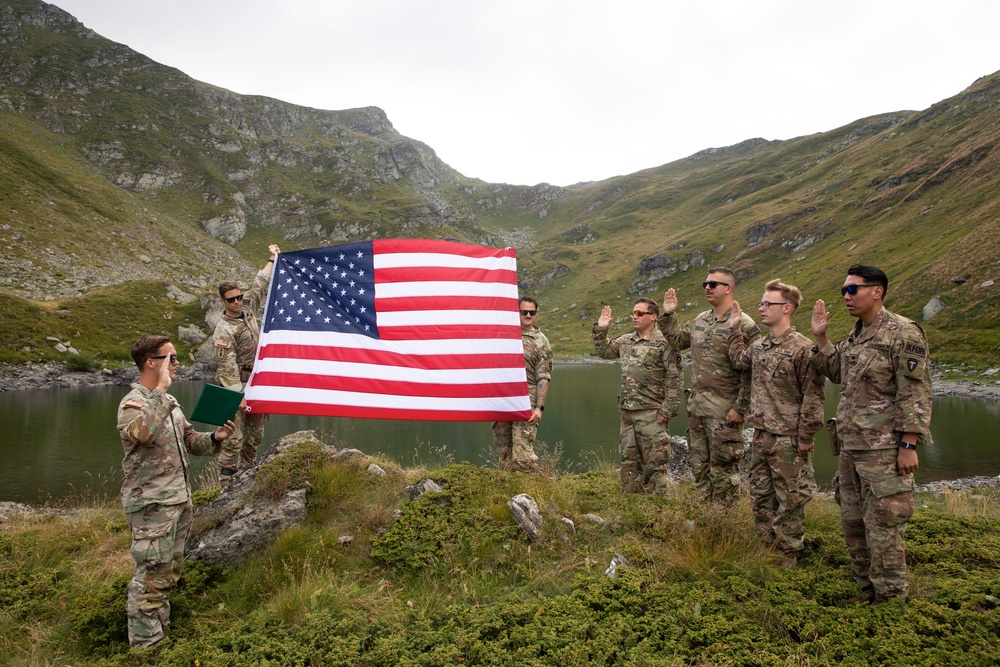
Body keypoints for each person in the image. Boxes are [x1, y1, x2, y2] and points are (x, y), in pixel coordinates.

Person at [810, 265, 932, 603]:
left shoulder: (902, 332)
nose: (846, 297)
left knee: (884, 527)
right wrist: (821, 338)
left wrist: (909, 443)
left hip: (884, 451)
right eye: (844, 291)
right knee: (853, 524)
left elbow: (915, 391)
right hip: (851, 448)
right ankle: (865, 589)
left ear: (876, 291)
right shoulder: (855, 335)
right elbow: (836, 372)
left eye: (853, 290)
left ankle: (892, 600)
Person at [117, 335, 235, 648]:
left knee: (168, 573)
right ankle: (146, 648)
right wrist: (160, 391)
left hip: (179, 501)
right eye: (171, 358)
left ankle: (161, 636)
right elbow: (141, 434)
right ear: (150, 362)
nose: (177, 364)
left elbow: (190, 441)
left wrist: (216, 437)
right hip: (152, 506)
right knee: (151, 575)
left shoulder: (169, 402)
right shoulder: (135, 403)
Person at [727, 279, 824, 565]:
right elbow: (738, 361)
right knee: (760, 494)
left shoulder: (803, 348)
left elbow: (814, 395)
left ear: (788, 309)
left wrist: (806, 435)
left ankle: (786, 556)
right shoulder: (759, 346)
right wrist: (734, 330)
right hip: (760, 435)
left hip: (789, 438)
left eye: (768, 304)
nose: (762, 308)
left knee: (791, 498)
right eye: (761, 303)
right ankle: (766, 550)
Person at [660, 268, 762, 505]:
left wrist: (741, 407)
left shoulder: (744, 325)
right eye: (705, 283)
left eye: (714, 284)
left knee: (724, 472)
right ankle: (706, 518)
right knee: (700, 467)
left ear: (729, 288)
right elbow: (678, 341)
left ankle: (725, 525)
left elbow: (754, 369)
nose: (708, 287)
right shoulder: (700, 319)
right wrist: (668, 315)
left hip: (725, 411)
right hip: (698, 408)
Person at [593, 298, 682, 493]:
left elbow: (674, 379)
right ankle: (631, 504)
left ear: (653, 317)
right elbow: (605, 352)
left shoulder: (664, 343)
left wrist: (667, 410)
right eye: (633, 313)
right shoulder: (626, 340)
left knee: (655, 463)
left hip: (652, 412)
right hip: (627, 413)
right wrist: (602, 330)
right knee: (628, 461)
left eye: (640, 313)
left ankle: (659, 509)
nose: (635, 316)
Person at [213, 244, 280, 482]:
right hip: (235, 386)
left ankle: (249, 476)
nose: (238, 302)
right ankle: (225, 483)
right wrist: (236, 395)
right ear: (223, 302)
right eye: (232, 300)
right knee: (233, 438)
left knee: (255, 435)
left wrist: (272, 258)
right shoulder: (224, 330)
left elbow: (260, 283)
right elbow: (226, 366)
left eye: (239, 297)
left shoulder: (248, 307)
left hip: (256, 382)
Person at [493, 297, 553, 473]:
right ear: (516, 312)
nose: (528, 315)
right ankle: (507, 491)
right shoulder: (504, 335)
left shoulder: (541, 341)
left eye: (532, 312)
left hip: (527, 401)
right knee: (505, 451)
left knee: (522, 454)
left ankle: (531, 492)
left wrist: (539, 407)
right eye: (524, 311)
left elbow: (543, 377)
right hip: (504, 399)